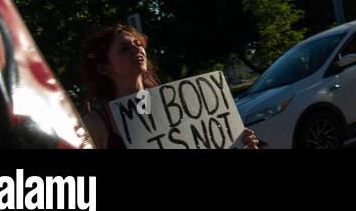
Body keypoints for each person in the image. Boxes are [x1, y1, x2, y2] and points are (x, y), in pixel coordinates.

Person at [80, 24, 260, 149]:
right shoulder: (97, 124)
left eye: (138, 44)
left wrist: (240, 144)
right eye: (124, 49)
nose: (137, 50)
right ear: (104, 68)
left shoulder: (174, 105)